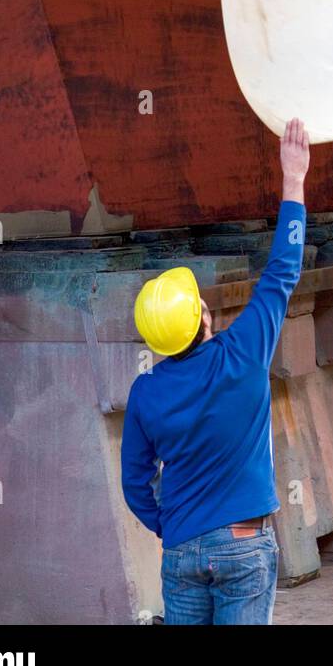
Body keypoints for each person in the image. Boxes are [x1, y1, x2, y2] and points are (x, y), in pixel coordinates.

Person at [121, 117, 310, 625]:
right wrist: (293, 180)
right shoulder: (244, 352)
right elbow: (283, 271)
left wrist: (171, 525)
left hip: (181, 551)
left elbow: (135, 484)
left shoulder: (145, 394)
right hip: (245, 543)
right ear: (205, 318)